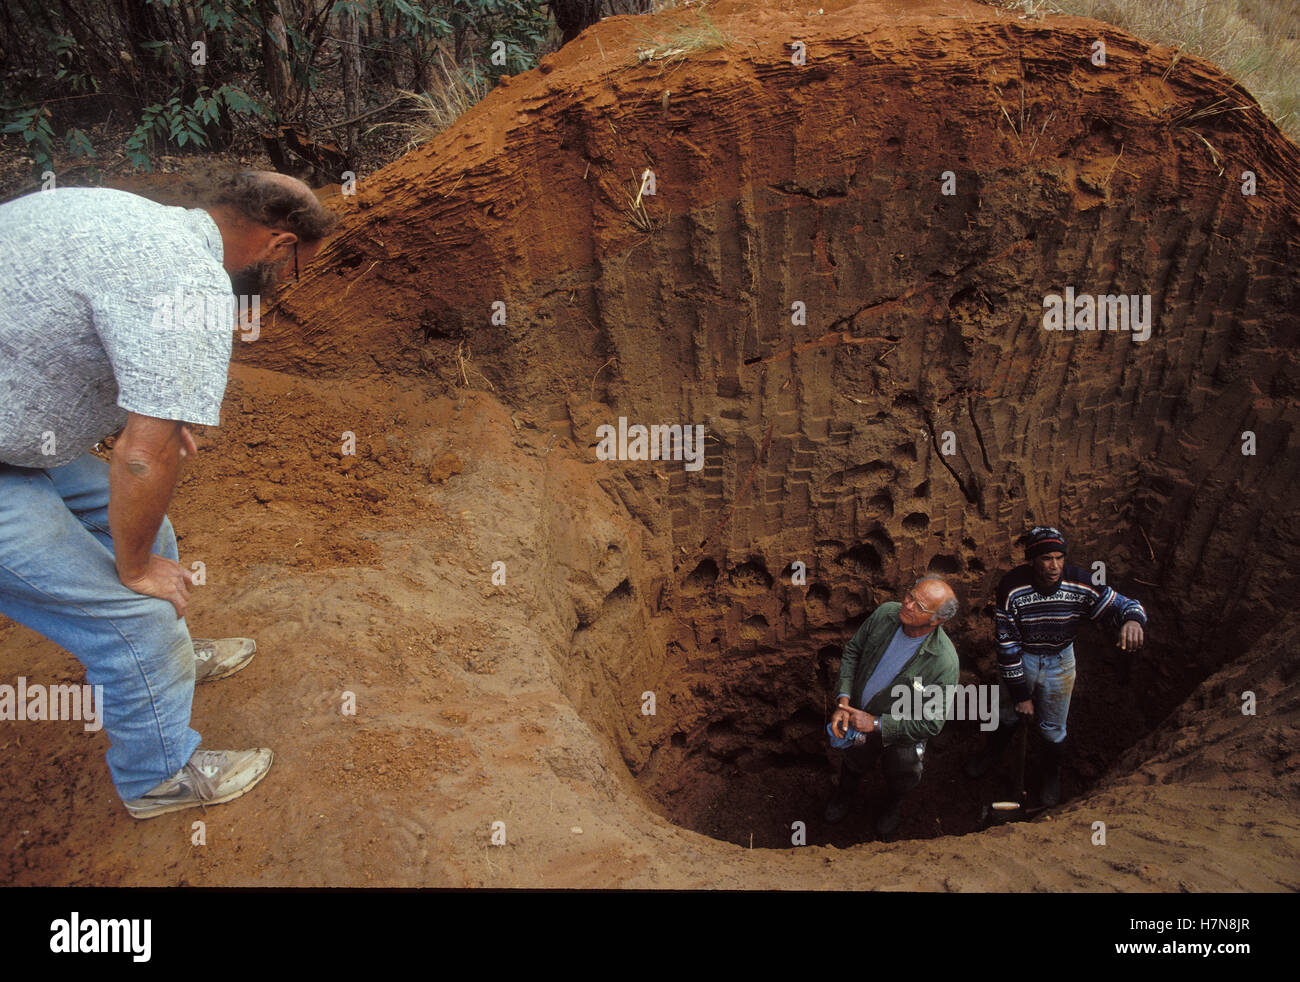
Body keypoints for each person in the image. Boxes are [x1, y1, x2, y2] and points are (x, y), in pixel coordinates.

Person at [0, 171, 335, 818]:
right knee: (134, 613)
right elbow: (141, 458)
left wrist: (159, 415)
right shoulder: (194, 284)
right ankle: (158, 777)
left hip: (15, 433)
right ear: (277, 245)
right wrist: (130, 568)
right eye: (295, 269)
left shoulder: (136, 219)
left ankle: (170, 659)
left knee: (151, 535)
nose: (286, 284)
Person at [964, 526, 1146, 805]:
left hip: (1060, 660)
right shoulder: (1012, 587)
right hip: (1023, 656)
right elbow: (1007, 645)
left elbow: (1124, 604)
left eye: (1060, 558)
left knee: (1053, 727)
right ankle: (991, 753)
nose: (1054, 566)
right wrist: (1021, 696)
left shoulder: (1080, 582)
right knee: (1007, 714)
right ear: (1032, 559)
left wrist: (1132, 620)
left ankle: (1051, 775)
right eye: (1047, 558)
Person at [823, 574, 960, 836]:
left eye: (920, 606)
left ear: (938, 620)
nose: (907, 605)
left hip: (902, 732)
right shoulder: (886, 614)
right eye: (910, 596)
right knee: (853, 760)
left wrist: (875, 723)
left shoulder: (944, 662)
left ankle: (893, 805)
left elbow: (932, 722)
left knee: (902, 770)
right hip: (857, 715)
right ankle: (844, 796)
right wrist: (843, 702)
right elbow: (853, 652)